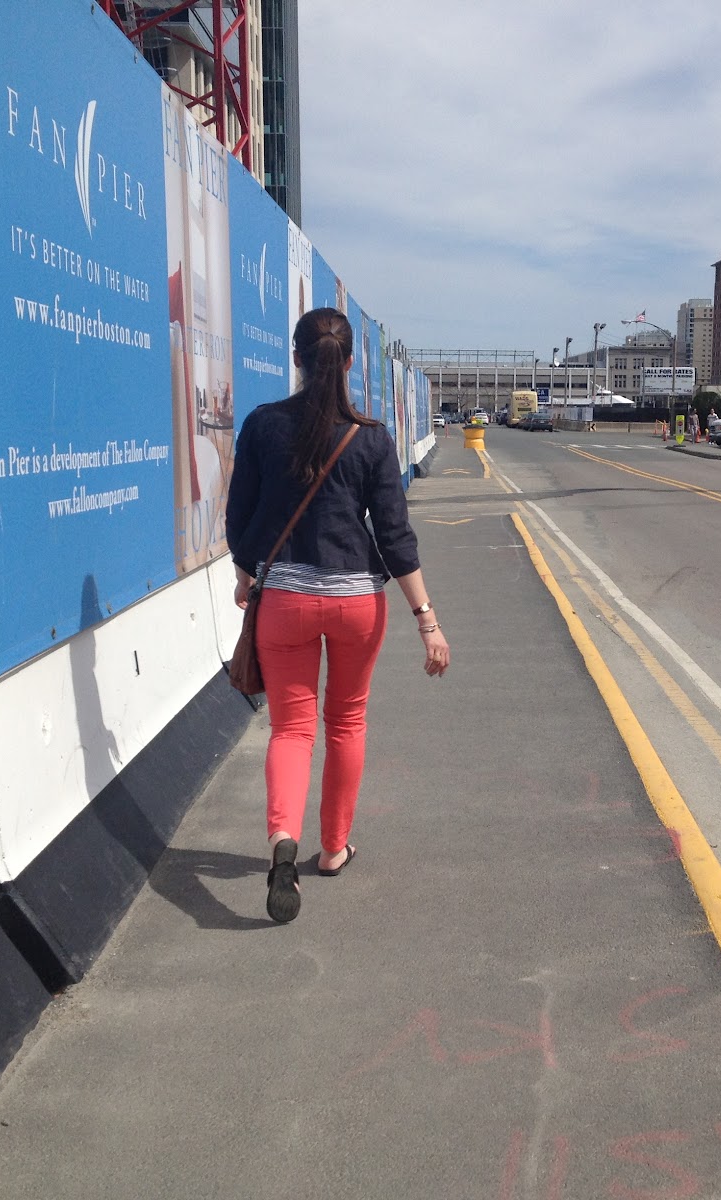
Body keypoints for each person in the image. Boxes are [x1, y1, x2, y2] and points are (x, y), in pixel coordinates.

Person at [225, 307, 450, 925]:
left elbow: (239, 517)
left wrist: (247, 572)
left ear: (295, 358)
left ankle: (281, 847)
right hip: (357, 603)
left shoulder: (262, 427)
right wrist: (426, 620)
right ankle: (332, 850)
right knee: (346, 721)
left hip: (286, 605)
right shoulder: (372, 439)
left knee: (291, 731)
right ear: (350, 363)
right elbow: (396, 538)